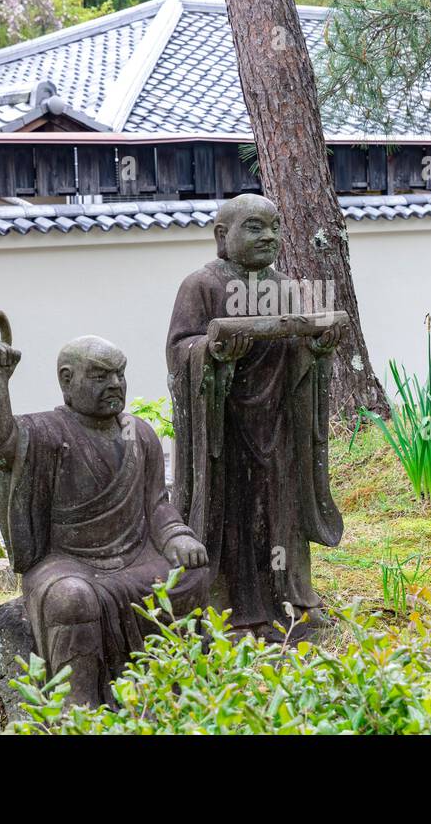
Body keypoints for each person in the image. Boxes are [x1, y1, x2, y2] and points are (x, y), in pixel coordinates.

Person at [0, 331, 209, 707]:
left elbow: (157, 505)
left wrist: (177, 537)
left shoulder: (140, 434)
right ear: (67, 380)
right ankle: (78, 705)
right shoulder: (46, 432)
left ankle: (173, 691)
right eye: (101, 377)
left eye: (120, 374)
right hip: (67, 562)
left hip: (136, 558)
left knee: (190, 576)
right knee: (72, 600)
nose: (115, 384)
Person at [167, 194, 344, 640]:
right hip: (222, 429)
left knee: (280, 512)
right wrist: (212, 353)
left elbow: (297, 349)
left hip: (279, 425)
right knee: (231, 516)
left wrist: (317, 346)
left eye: (275, 227)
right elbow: (179, 350)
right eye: (255, 227)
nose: (269, 236)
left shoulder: (284, 287)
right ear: (222, 237)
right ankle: (227, 608)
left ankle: (288, 599)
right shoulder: (201, 286)